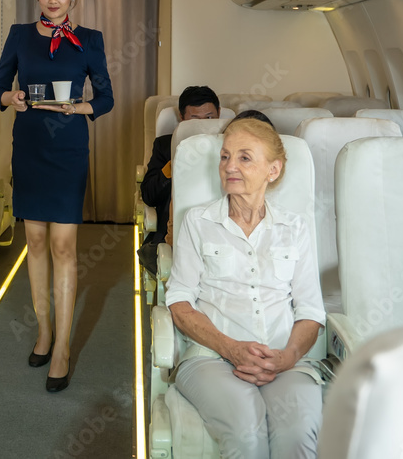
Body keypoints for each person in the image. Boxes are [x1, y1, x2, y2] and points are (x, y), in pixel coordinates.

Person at [166, 118, 325, 457]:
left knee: (296, 434)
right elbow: (179, 300)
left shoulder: (294, 228)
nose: (230, 166)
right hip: (210, 358)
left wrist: (288, 357)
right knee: (247, 435)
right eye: (225, 157)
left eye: (244, 158)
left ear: (274, 170)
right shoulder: (199, 222)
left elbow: (311, 309)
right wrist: (230, 347)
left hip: (285, 359)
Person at [0, 0, 113, 392]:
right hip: (29, 145)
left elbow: (106, 97)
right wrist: (13, 97)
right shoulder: (20, 35)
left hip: (67, 148)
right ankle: (43, 330)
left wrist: (77, 108)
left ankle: (62, 346)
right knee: (35, 242)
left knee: (63, 245)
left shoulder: (90, 40)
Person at [139, 86, 221, 247]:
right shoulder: (165, 145)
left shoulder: (231, 145)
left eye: (210, 118)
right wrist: (174, 164)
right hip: (177, 227)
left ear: (219, 113)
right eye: (195, 119)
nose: (203, 126)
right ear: (181, 117)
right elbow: (149, 195)